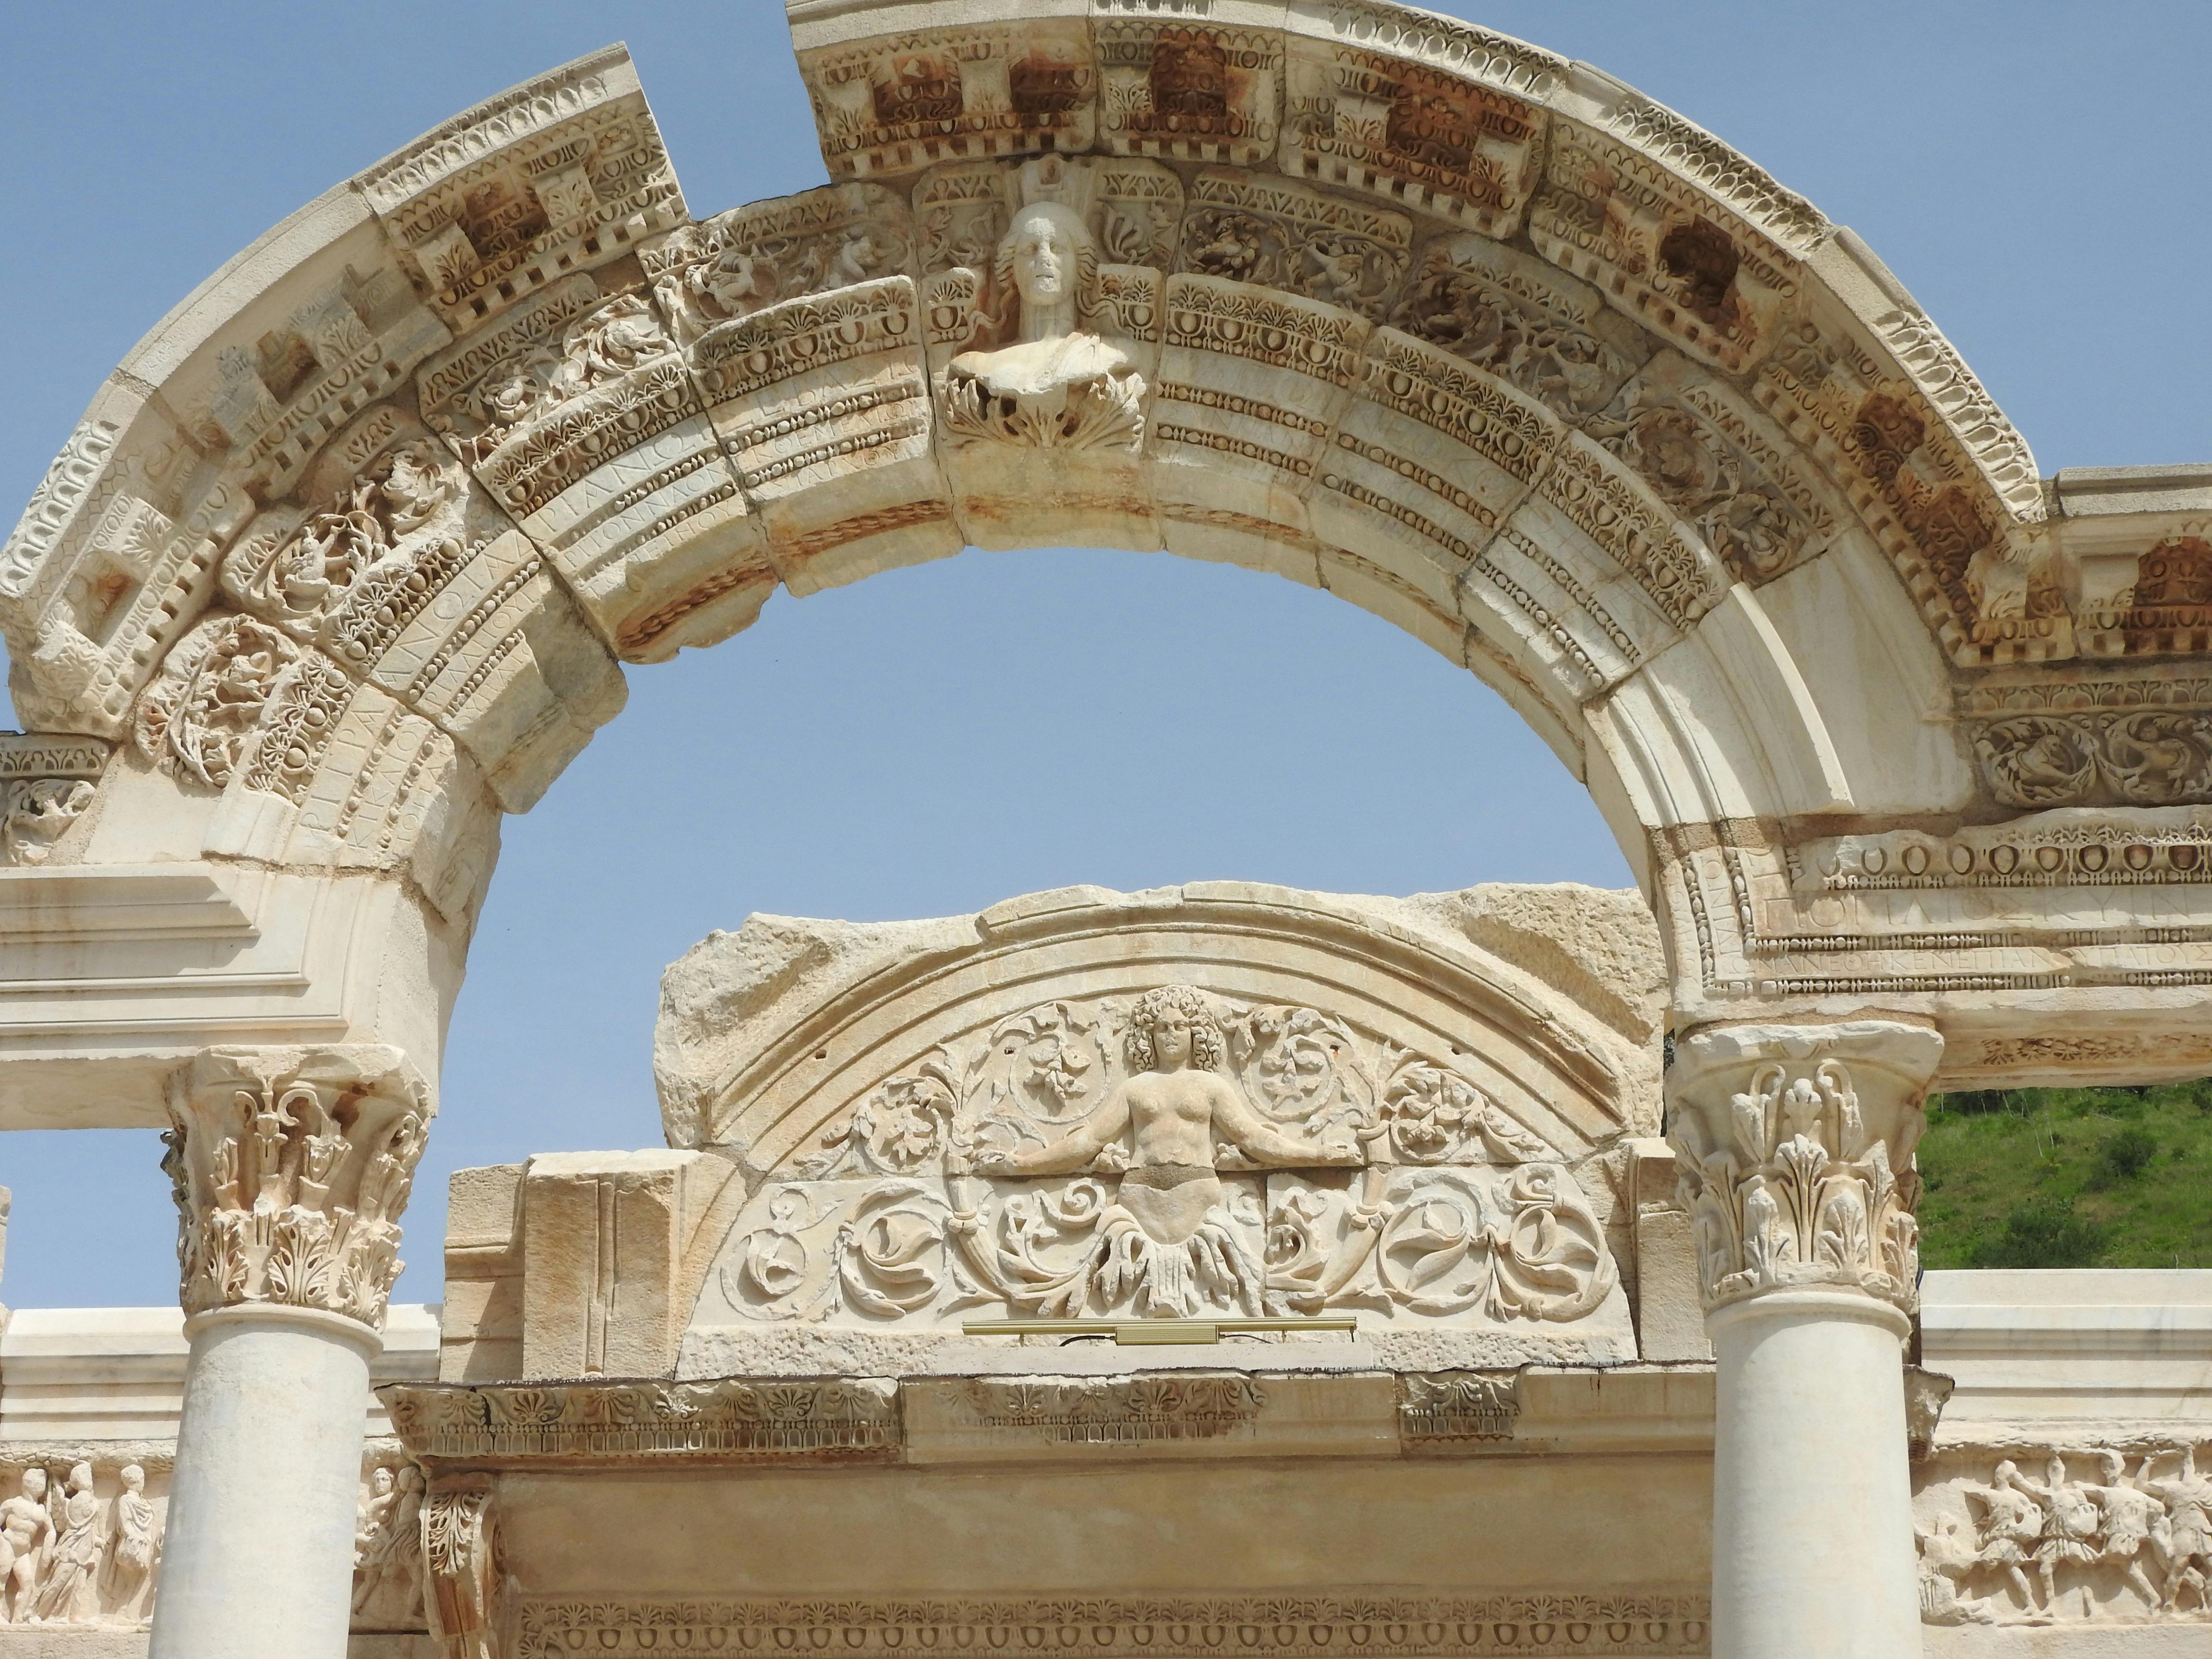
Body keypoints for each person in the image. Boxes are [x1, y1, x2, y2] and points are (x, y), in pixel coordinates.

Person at [969, 985, 1352, 1315]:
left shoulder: (1210, 1086)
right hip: (1140, 1199)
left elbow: (1252, 1139)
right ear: (1147, 1036)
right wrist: (1023, 1162)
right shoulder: (1136, 1088)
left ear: (1196, 1033)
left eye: (1180, 1027)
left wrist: (1317, 1156)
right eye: (1162, 1028)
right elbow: (1089, 1141)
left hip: (1198, 1196)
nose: (1171, 1035)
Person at [29, 1463, 101, 1623]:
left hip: (84, 1550)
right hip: (72, 1549)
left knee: (77, 1585)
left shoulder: (89, 1500)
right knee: (58, 1583)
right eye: (87, 1477)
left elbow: (90, 1528)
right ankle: (39, 1614)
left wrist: (99, 1541)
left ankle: (73, 1616)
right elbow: (81, 1523)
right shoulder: (81, 1500)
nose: (90, 1481)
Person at [100, 1466, 156, 1622]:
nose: (143, 1483)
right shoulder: (125, 1499)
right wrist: (136, 1538)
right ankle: (118, 1611)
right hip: (131, 1545)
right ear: (137, 1480)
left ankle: (118, 1610)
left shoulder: (141, 1501)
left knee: (133, 1581)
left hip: (142, 1545)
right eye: (142, 1479)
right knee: (129, 1581)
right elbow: (126, 1523)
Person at [0, 1468, 51, 1623]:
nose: (41, 1486)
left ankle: (18, 1618)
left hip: (23, 1552)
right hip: (8, 1544)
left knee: (28, 1584)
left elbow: (51, 1530)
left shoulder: (41, 1510)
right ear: (28, 1484)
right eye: (38, 1482)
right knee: (1, 1579)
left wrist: (47, 1553)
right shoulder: (13, 1504)